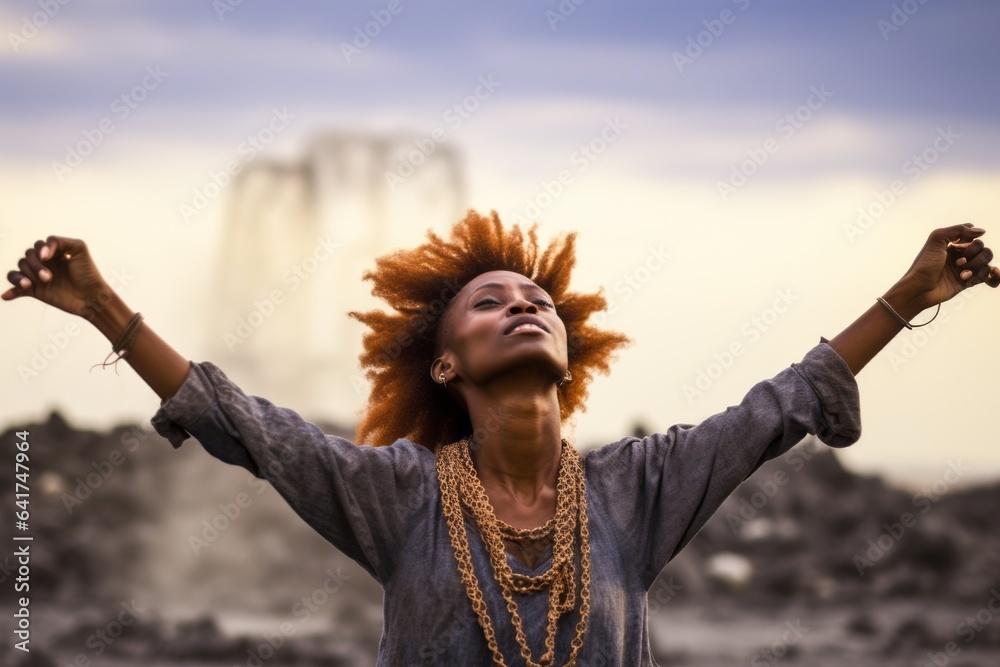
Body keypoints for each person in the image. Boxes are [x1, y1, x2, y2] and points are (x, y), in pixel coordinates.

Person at [3, 210, 997, 666]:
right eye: (490, 304)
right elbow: (250, 429)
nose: (524, 308)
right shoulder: (399, 497)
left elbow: (779, 405)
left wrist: (908, 293)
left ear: (569, 345)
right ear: (445, 363)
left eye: (537, 301)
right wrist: (103, 307)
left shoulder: (636, 489)